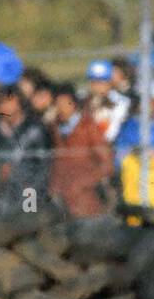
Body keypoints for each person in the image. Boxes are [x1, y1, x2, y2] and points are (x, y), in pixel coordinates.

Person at [49, 88, 113, 217]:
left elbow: (107, 163)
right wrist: (54, 184)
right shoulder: (55, 128)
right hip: (63, 198)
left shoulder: (88, 127)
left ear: (74, 105)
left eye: (65, 104)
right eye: (58, 104)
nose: (61, 108)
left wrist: (85, 182)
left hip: (86, 197)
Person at [86, 59, 131, 143]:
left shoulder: (122, 102)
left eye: (101, 82)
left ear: (109, 82)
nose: (97, 86)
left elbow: (111, 134)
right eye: (93, 82)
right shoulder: (84, 102)